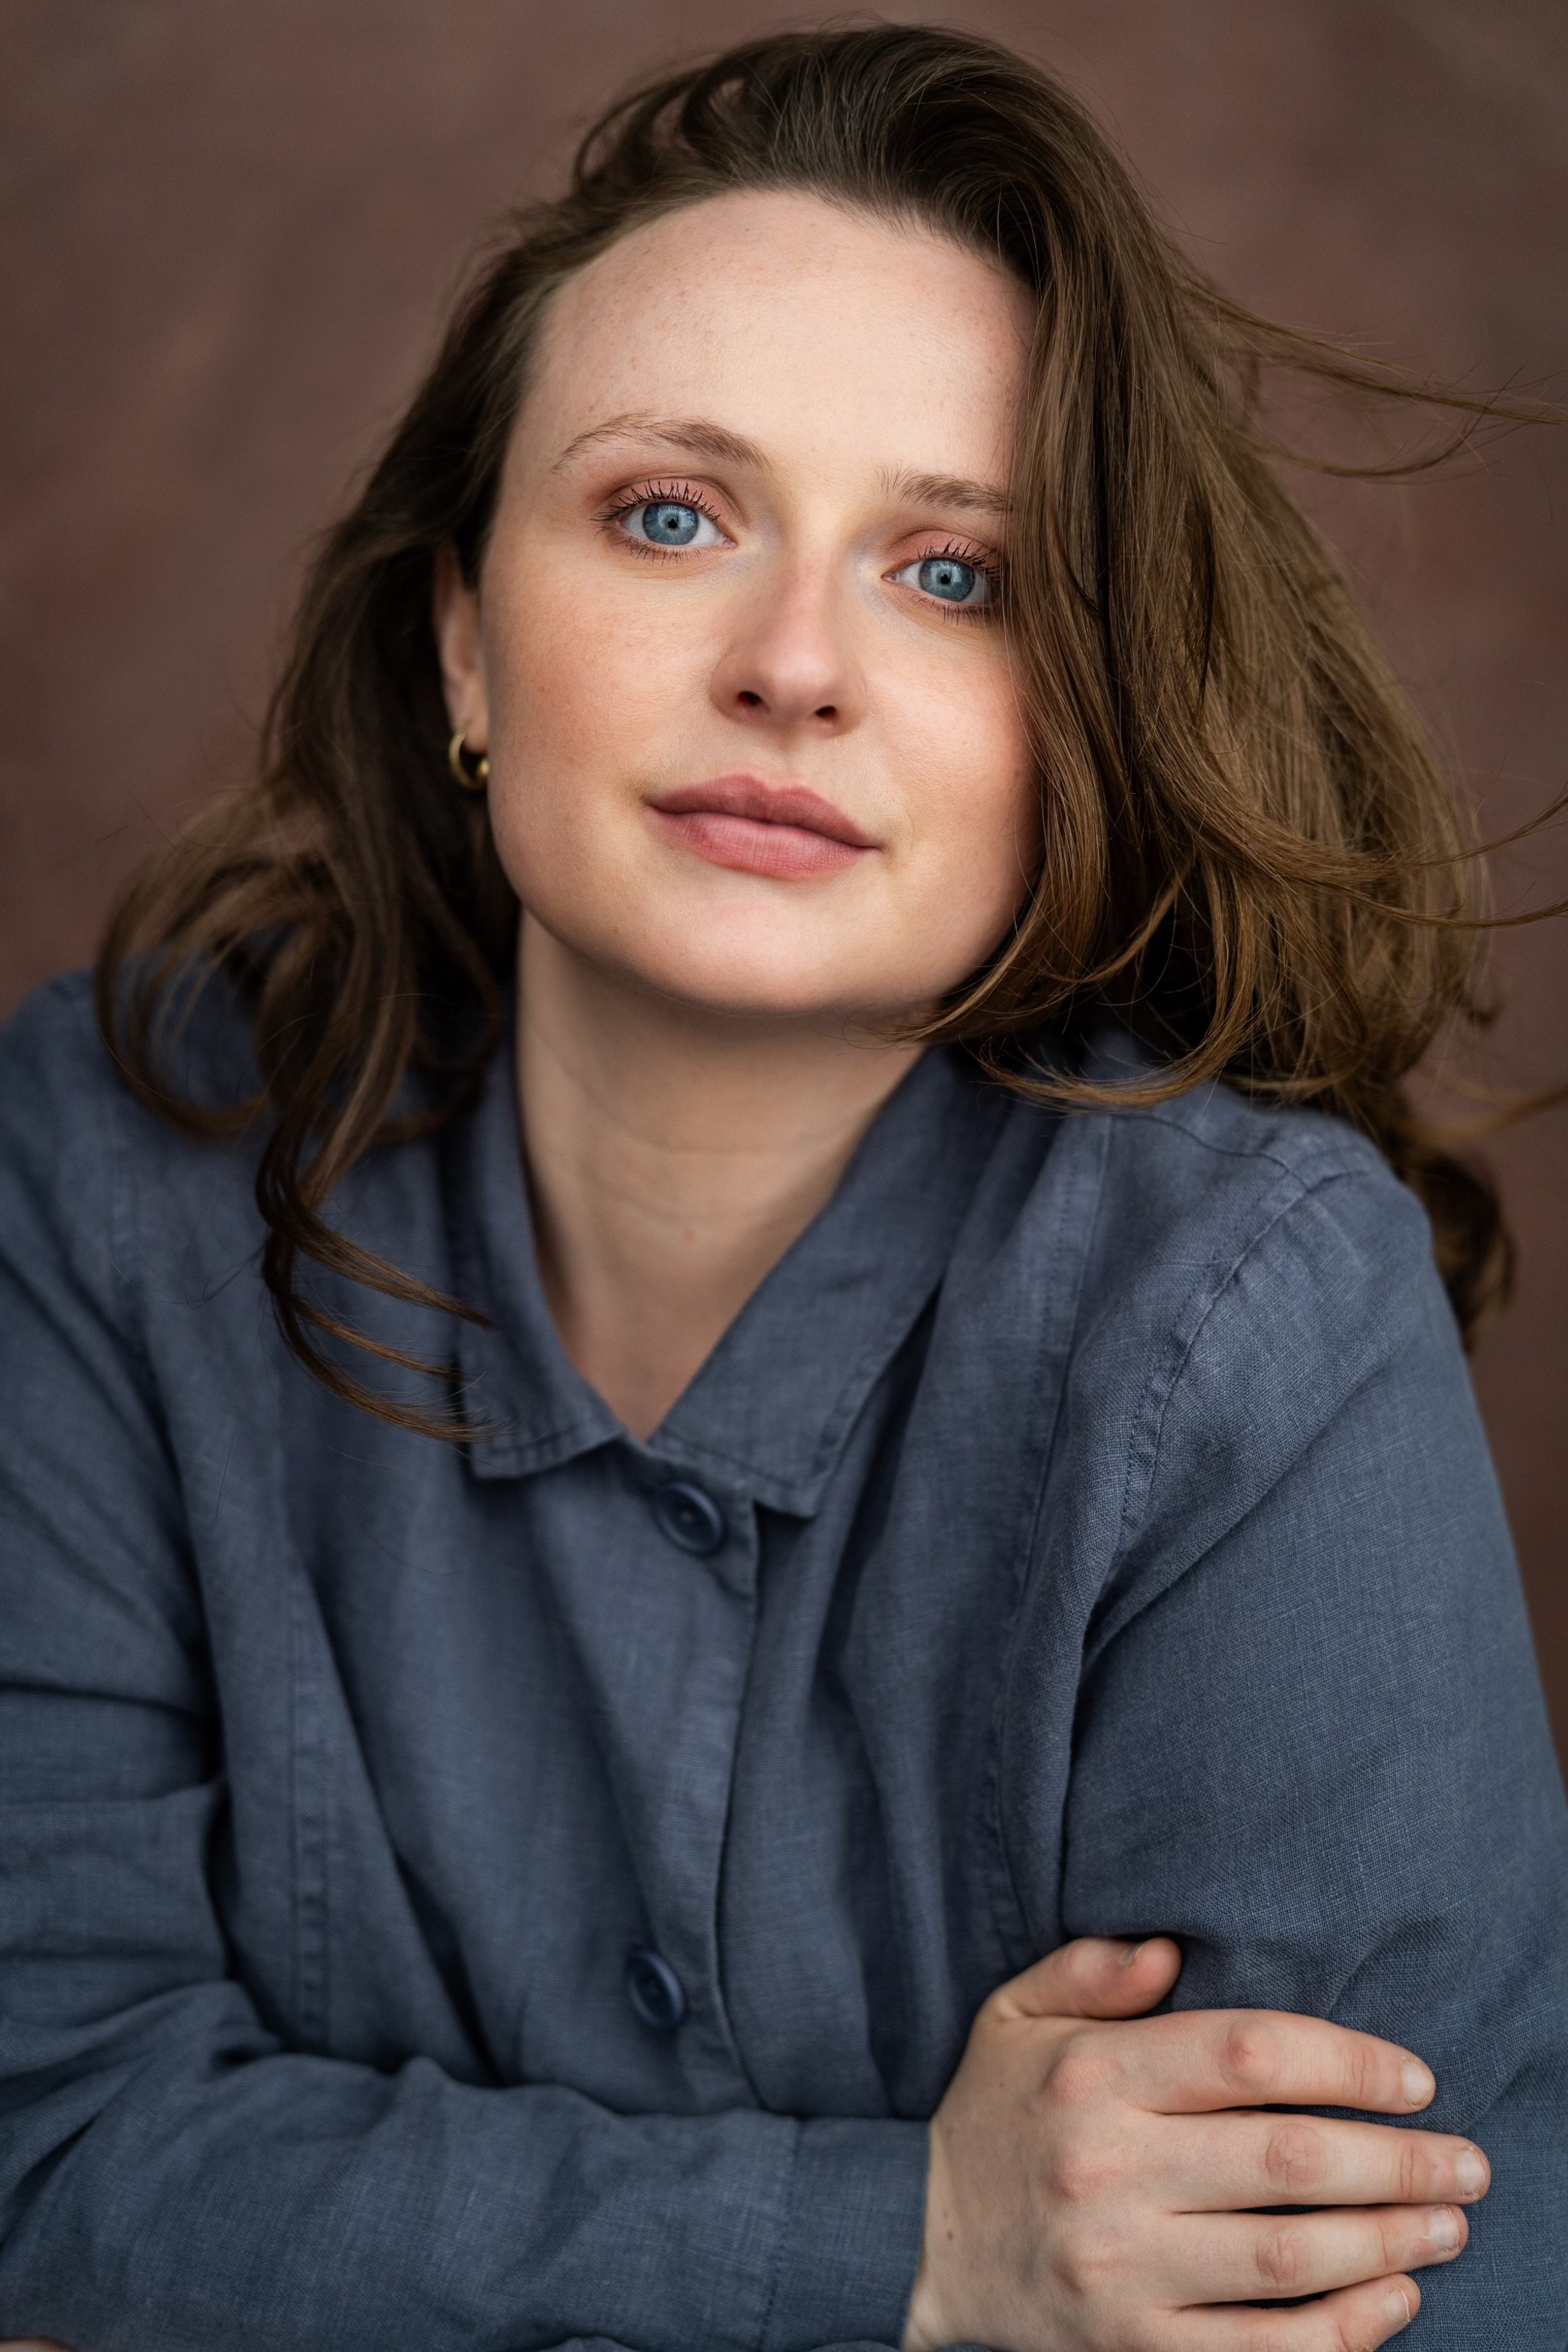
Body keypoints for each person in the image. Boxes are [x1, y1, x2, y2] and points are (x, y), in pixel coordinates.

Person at [0, 24, 1563, 2352]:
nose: (797, 666)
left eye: (954, 574)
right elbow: (48, 2142)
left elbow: (1382, 2302)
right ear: (462, 640)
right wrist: (912, 2248)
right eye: (667, 515)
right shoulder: (113, 1156)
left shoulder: (1249, 1310)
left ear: (1082, 726)